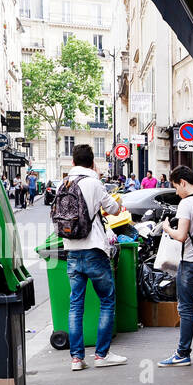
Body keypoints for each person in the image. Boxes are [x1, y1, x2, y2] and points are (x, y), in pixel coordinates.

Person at [60, 144, 128, 372]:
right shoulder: (94, 183)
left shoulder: (64, 183)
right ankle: (101, 354)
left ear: (72, 162)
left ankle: (77, 359)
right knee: (107, 300)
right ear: (92, 162)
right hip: (94, 251)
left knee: (75, 305)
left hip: (72, 250)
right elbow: (115, 209)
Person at [156, 165, 193, 367]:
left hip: (191, 262)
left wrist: (166, 228)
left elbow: (181, 236)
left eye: (175, 186)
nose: (176, 192)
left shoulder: (186, 203)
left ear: (183, 182)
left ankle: (183, 353)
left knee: (185, 308)